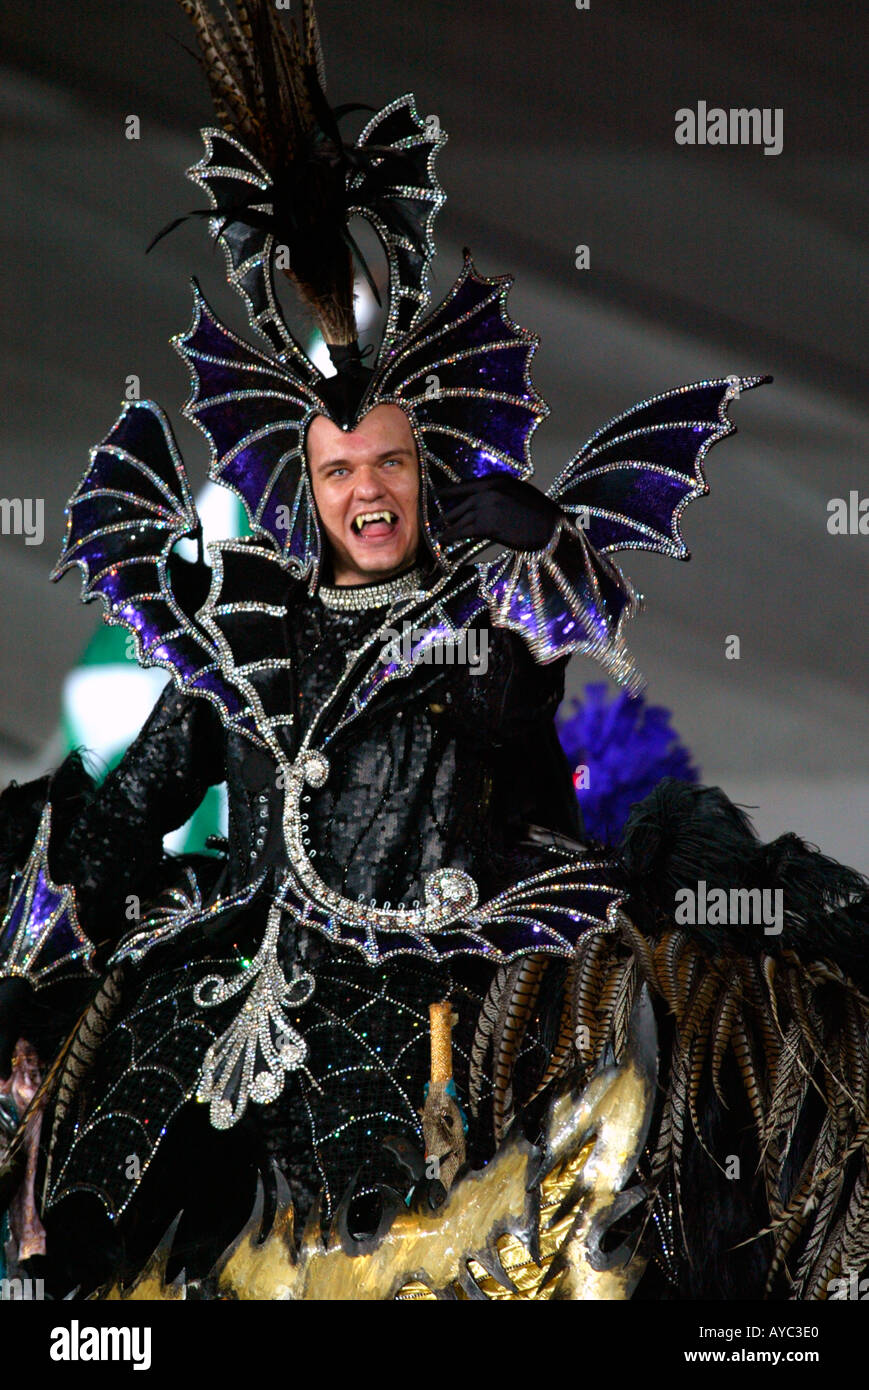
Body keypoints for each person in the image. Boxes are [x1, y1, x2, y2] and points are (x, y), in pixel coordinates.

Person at [0, 0, 866, 1301]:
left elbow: (589, 799)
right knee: (105, 1252)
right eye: (339, 465)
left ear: (427, 465)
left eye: (389, 461)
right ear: (304, 482)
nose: (367, 489)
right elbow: (122, 817)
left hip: (455, 1005)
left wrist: (770, 887)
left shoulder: (489, 637)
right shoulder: (231, 645)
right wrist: (32, 972)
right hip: (243, 1024)